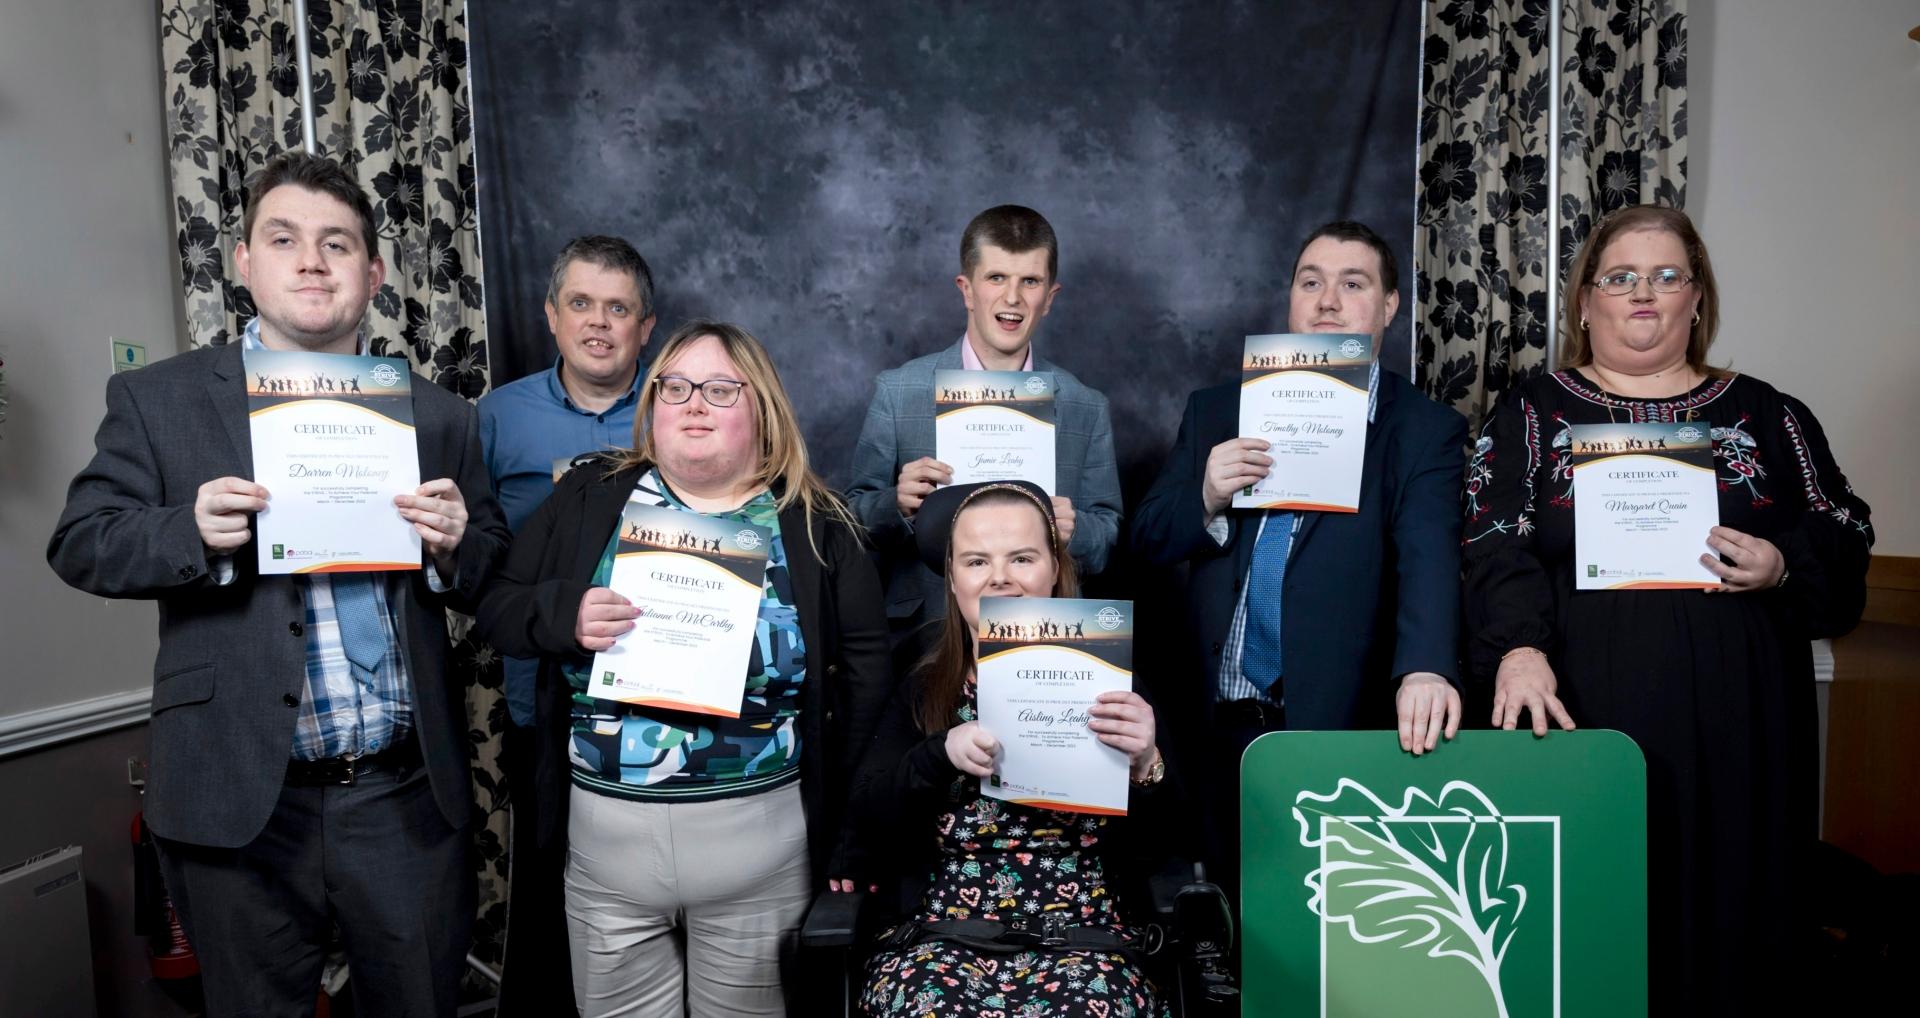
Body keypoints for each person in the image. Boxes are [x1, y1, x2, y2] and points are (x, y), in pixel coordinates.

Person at [47, 151, 510, 1016]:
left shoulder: (441, 414)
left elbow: (491, 567)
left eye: (337, 244)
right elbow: (81, 542)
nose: (311, 261)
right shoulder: (159, 401)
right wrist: (188, 529)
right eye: (285, 238)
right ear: (244, 262)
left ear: (373, 273)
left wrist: (453, 550)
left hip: (403, 797)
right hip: (238, 803)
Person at [1462, 204, 1872, 1012]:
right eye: (1620, 277)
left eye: (1665, 276)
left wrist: (1786, 564)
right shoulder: (1532, 412)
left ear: (1696, 298)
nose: (1642, 293)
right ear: (1585, 303)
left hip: (1743, 727)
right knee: (1591, 919)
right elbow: (1489, 541)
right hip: (1581, 715)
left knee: (1735, 922)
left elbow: (1846, 530)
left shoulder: (1769, 413)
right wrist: (1517, 646)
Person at [472, 319, 892, 1015]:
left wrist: (849, 835)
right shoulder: (590, 497)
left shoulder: (817, 522)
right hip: (608, 863)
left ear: (763, 408)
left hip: (760, 862)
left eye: (721, 389)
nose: (694, 404)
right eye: (676, 386)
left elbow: (870, 682)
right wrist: (565, 615)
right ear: (653, 403)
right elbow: (498, 607)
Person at [1130, 220, 1467, 897]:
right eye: (1311, 283)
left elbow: (1427, 556)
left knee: (1331, 935)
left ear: (1390, 307)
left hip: (1338, 729)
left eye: (1353, 284)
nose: (1327, 302)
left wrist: (1427, 665)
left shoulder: (1423, 430)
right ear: (1291, 299)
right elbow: (1148, 539)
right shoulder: (1218, 411)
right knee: (1231, 934)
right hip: (1219, 728)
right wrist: (1206, 493)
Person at [852, 480, 1170, 1018]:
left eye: (1022, 558)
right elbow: (867, 824)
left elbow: (1172, 845)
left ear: (1055, 568)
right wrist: (937, 755)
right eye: (977, 562)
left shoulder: (1116, 682)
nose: (1000, 578)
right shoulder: (922, 686)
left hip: (1084, 934)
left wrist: (1147, 762)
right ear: (953, 581)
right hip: (947, 935)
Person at [474, 235, 656, 1013]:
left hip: (662, 704)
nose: (599, 324)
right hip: (541, 700)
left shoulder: (680, 407)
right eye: (581, 303)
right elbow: (475, 562)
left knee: (652, 902)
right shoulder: (495, 418)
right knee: (553, 895)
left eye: (618, 308)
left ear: (645, 327)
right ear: (551, 316)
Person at [846, 205, 1123, 637]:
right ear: (967, 290)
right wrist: (895, 505)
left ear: (1049, 297)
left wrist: (1076, 530)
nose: (1012, 298)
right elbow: (851, 521)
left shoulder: (1086, 405)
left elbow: (1107, 539)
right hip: (925, 633)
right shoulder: (899, 391)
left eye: (1029, 281)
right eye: (996, 278)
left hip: (1041, 636)